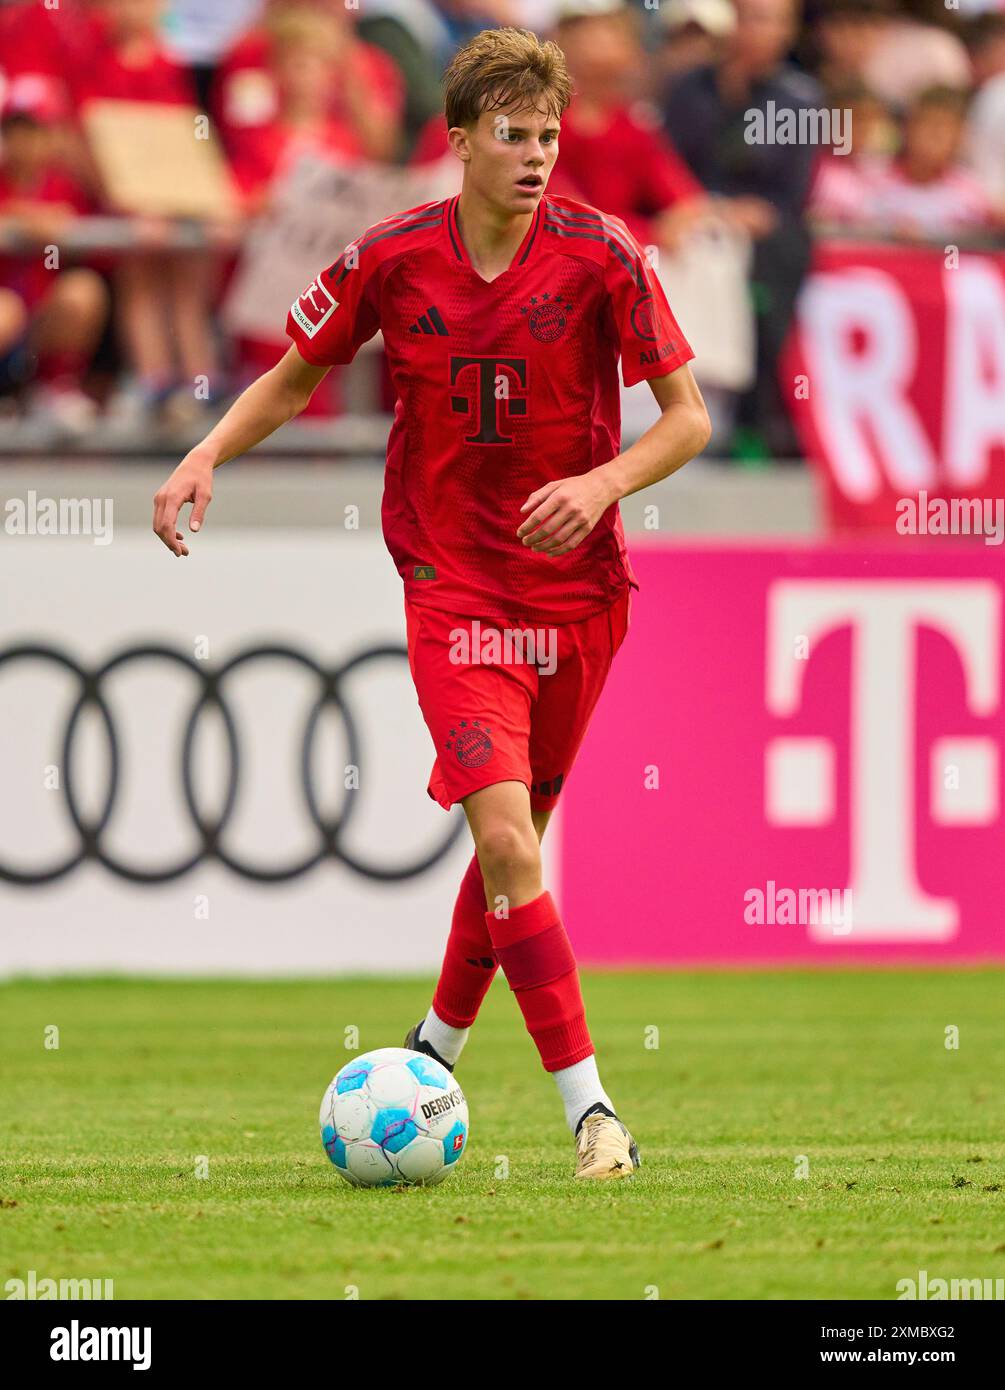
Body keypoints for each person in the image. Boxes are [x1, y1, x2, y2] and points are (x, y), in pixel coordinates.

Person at [152, 26, 710, 1179]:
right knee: (505, 837)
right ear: (458, 141)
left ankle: (436, 1046)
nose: (536, 155)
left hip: (581, 598)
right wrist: (205, 452)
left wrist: (602, 484)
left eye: (549, 135)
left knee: (518, 851)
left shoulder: (604, 254)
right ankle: (595, 1115)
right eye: (512, 134)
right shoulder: (392, 254)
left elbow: (689, 416)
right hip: (454, 587)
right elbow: (297, 371)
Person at [0, 74, 108, 431]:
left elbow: (96, 224)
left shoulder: (66, 186)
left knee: (83, 291)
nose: (27, 143)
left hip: (40, 322)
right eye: (18, 131)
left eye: (38, 131)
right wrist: (20, 215)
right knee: (5, 310)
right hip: (7, 314)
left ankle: (54, 389)